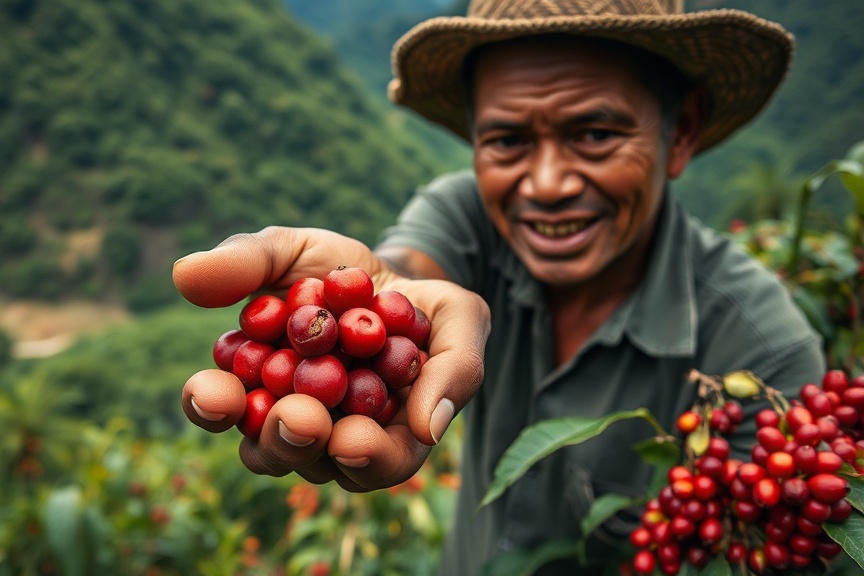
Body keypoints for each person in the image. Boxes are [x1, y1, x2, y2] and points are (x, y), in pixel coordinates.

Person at [173, 0, 826, 574]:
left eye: (595, 135)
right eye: (507, 140)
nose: (544, 184)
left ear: (680, 131)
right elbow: (406, 272)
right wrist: (387, 302)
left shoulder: (765, 352)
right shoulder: (466, 215)